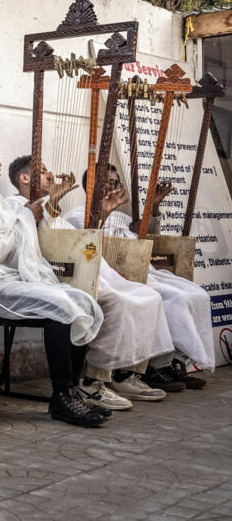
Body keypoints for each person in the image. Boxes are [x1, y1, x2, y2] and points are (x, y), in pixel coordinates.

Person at [0, 133, 107, 427]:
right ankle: (61, 397)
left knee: (82, 300)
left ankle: (70, 391)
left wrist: (24, 217)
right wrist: (23, 218)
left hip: (9, 276)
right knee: (59, 305)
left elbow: (12, 241)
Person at [7, 156, 173, 405]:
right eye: (42, 172)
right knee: (118, 302)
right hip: (56, 275)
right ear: (25, 178)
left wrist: (100, 215)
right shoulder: (15, 204)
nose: (51, 175)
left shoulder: (48, 206)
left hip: (84, 268)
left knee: (149, 296)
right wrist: (52, 200)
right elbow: (34, 240)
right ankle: (92, 381)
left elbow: (80, 241)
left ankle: (127, 374)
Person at [65, 166, 214, 389]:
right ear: (91, 187)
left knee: (196, 294)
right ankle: (149, 369)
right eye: (108, 183)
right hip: (113, 276)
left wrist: (153, 207)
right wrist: (102, 215)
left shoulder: (120, 215)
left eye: (116, 183)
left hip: (142, 272)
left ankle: (171, 362)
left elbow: (140, 237)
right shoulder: (78, 216)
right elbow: (89, 248)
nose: (113, 188)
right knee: (171, 299)